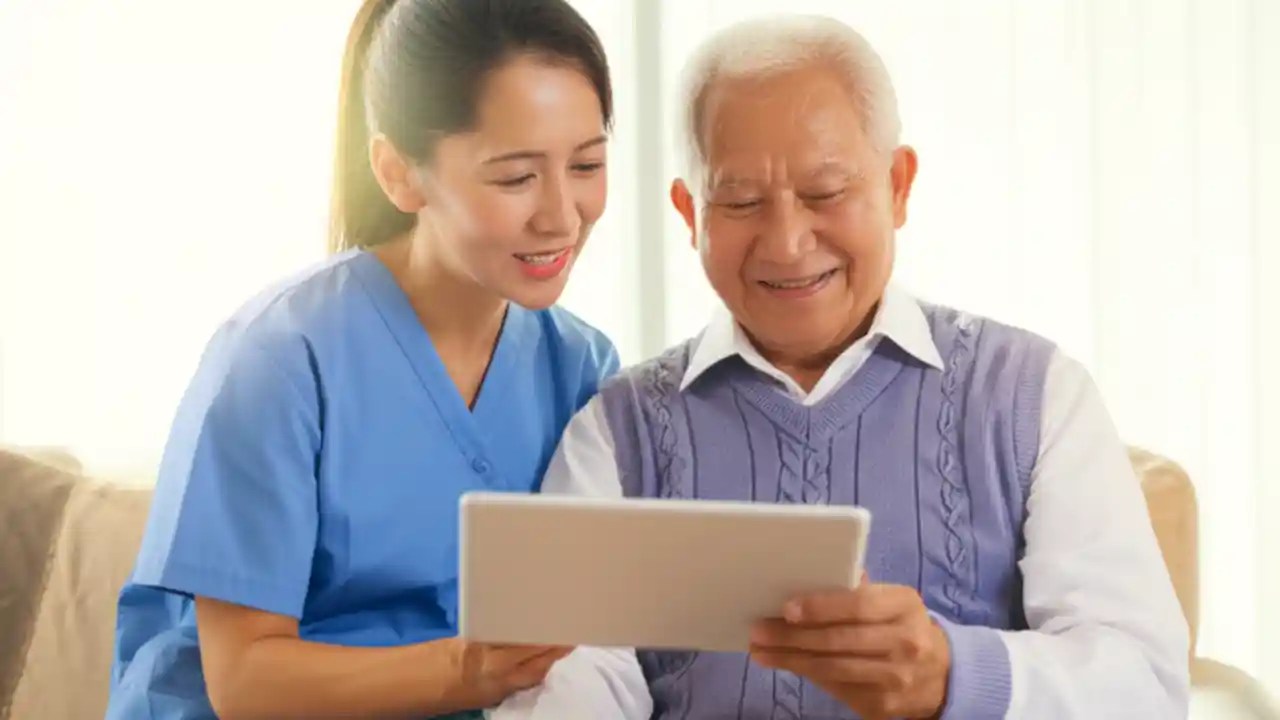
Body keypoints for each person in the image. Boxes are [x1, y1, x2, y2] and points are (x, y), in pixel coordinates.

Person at [497, 14, 1190, 720]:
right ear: (689, 212)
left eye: (826, 194)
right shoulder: (617, 434)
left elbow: (1144, 684)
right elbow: (560, 682)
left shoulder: (1035, 395)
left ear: (898, 185)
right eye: (739, 202)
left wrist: (955, 676)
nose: (789, 244)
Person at [105, 1, 649, 718]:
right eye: (516, 178)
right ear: (400, 173)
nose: (563, 214)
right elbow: (244, 681)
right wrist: (467, 669)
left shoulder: (579, 366)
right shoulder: (278, 359)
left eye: (586, 164)